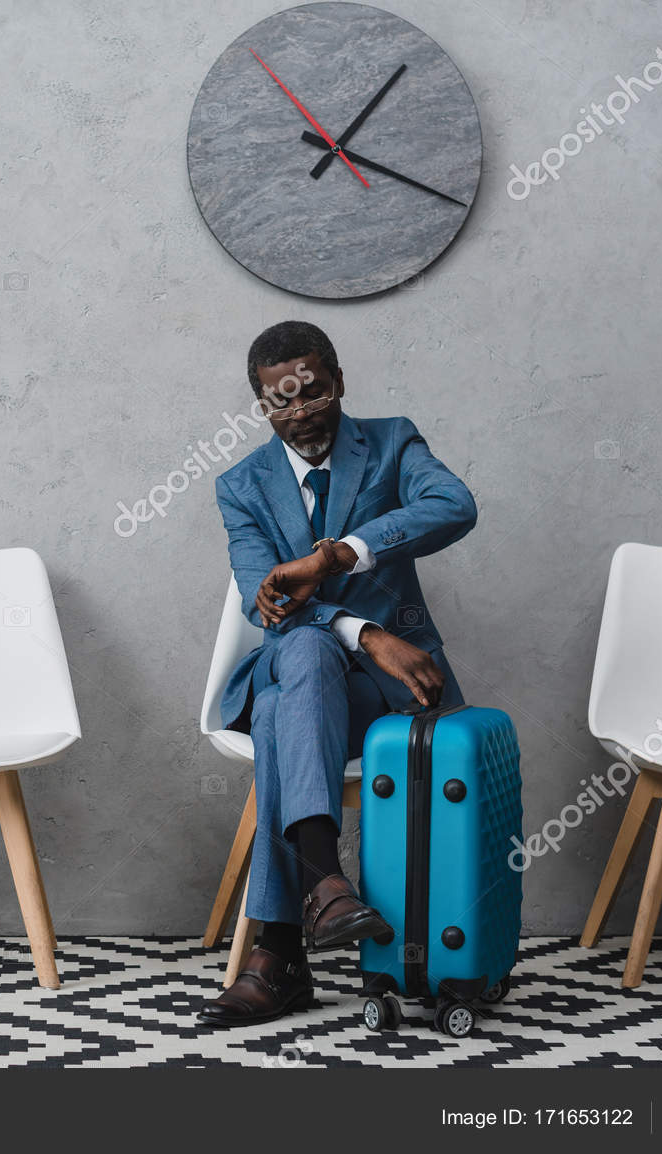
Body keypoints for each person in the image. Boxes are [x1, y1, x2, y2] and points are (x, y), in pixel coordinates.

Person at [198, 320, 477, 1026]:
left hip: (387, 697)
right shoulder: (242, 486)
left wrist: (334, 557)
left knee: (275, 710)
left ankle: (280, 952)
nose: (300, 412)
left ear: (339, 381)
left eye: (313, 391)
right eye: (280, 401)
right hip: (317, 673)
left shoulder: (390, 444)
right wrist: (366, 631)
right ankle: (328, 883)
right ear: (263, 406)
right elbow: (266, 599)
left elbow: (454, 506)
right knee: (302, 651)